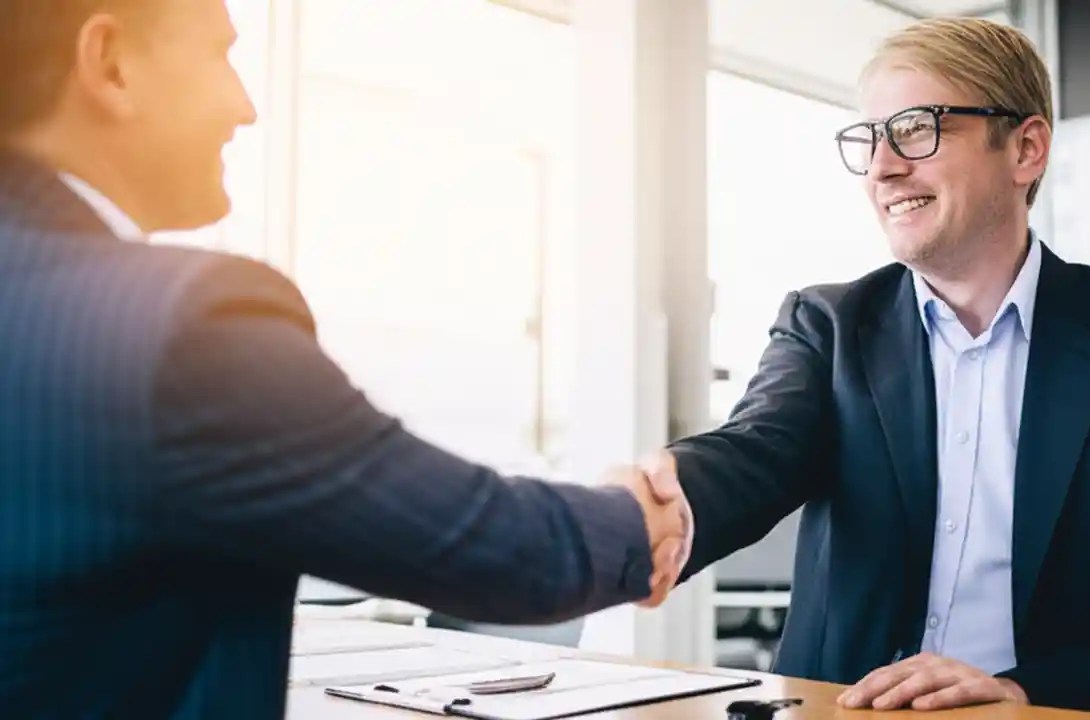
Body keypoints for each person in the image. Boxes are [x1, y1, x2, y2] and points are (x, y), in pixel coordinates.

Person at [0, 1, 691, 717]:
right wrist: (632, 517)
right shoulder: (180, 326)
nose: (245, 108)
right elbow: (497, 547)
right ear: (110, 63)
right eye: (220, 54)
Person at [640, 17, 1090, 719]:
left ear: (1026, 148)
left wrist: (1022, 691)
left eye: (915, 128)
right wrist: (648, 507)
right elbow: (756, 451)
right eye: (868, 140)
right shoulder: (828, 326)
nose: (882, 167)